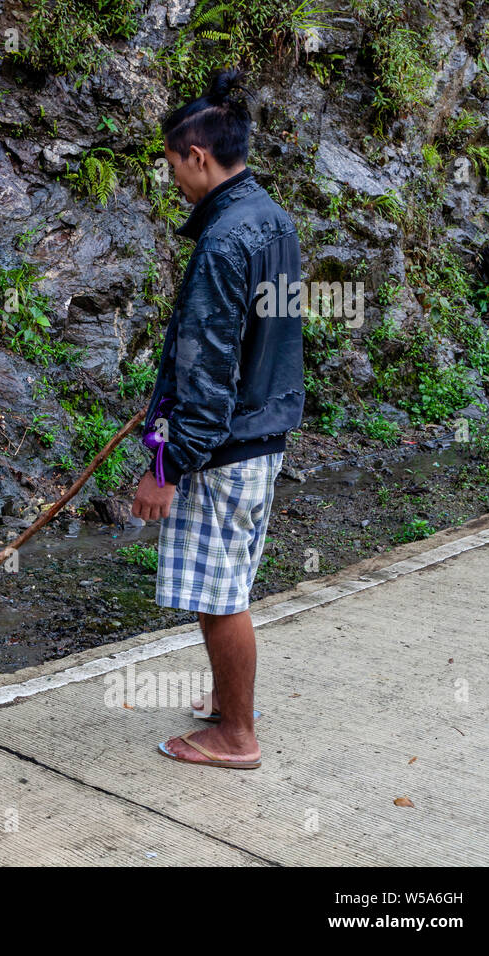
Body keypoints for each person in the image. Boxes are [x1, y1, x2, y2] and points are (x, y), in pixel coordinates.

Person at [131, 68, 304, 770]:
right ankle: (228, 702)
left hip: (224, 446)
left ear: (197, 156)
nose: (171, 177)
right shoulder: (272, 218)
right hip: (263, 431)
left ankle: (237, 735)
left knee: (219, 596)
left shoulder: (223, 241)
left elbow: (207, 378)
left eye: (171, 163)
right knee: (227, 584)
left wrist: (166, 465)